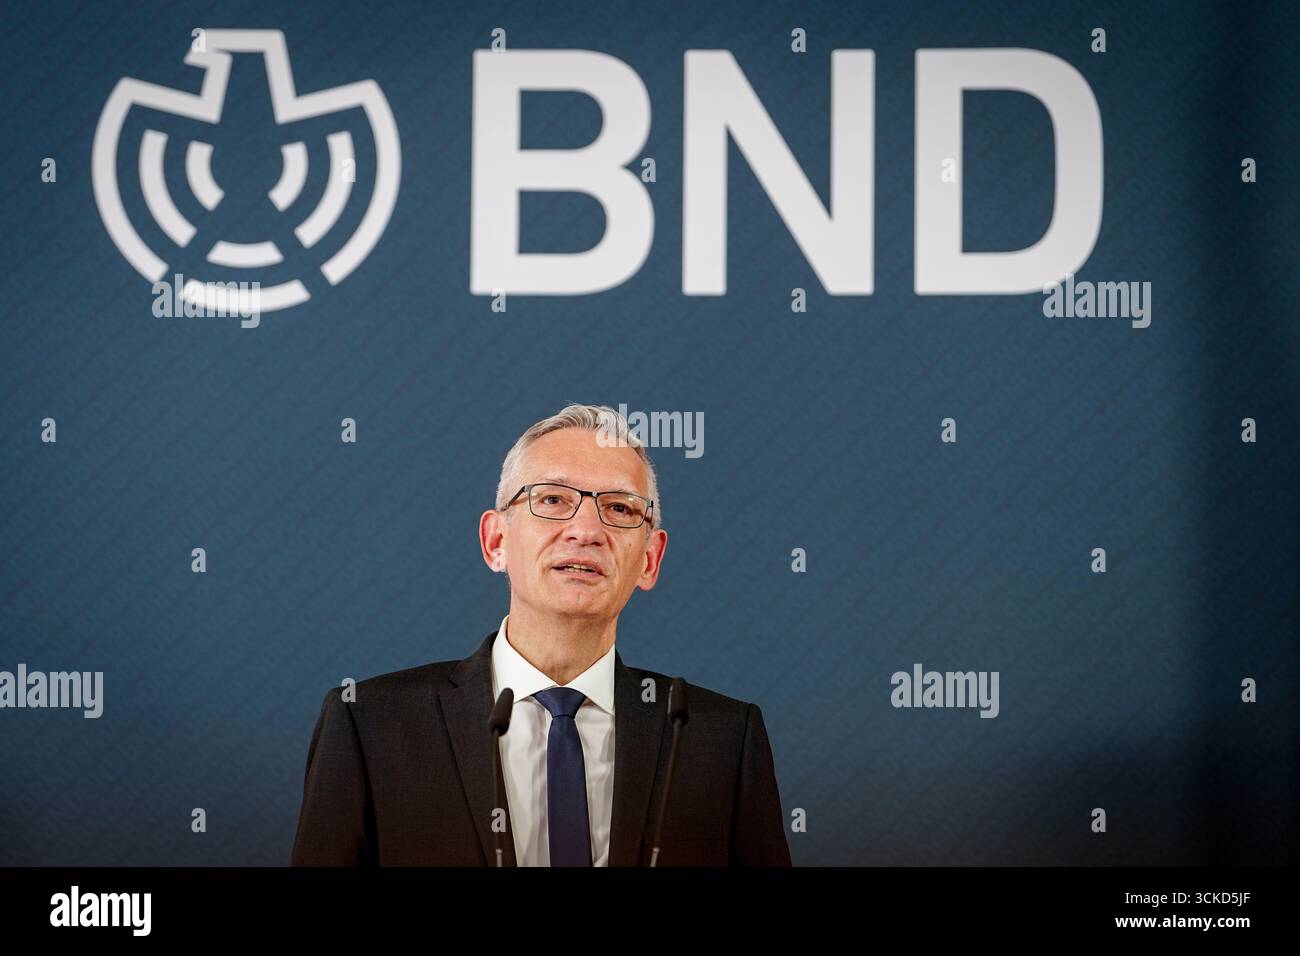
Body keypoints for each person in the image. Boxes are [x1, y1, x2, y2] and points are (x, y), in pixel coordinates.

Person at [290, 403, 791, 866]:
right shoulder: (369, 724)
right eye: (553, 499)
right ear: (495, 541)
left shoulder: (720, 738)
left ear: (650, 558)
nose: (586, 529)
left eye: (619, 508)